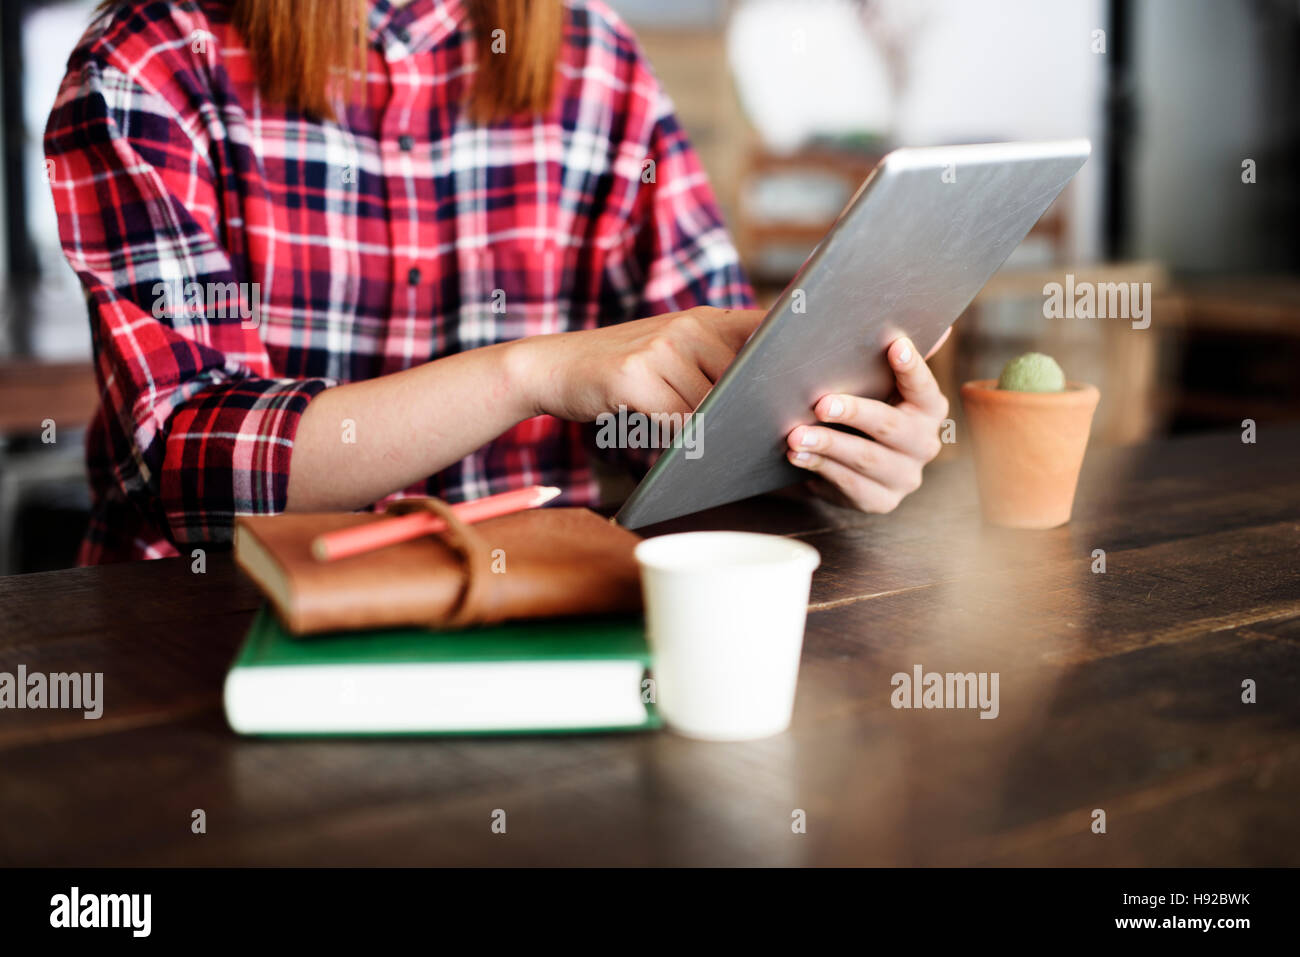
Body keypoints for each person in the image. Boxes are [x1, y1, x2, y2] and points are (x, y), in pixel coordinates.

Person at [45, 0, 949, 564]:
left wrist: (830, 442)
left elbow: (693, 416)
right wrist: (534, 372)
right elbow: (192, 469)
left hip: (549, 614)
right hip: (216, 630)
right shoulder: (149, 61)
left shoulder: (597, 60)